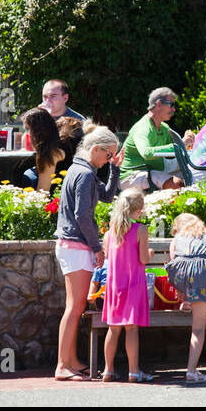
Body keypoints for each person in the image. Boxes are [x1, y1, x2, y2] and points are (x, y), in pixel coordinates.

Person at [53, 123, 122, 380]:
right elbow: (83, 215)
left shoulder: (83, 170)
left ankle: (70, 361)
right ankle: (62, 365)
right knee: (74, 307)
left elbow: (105, 196)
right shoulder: (83, 174)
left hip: (72, 244)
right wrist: (97, 247)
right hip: (75, 244)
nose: (107, 161)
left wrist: (114, 169)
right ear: (94, 149)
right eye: (107, 156)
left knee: (76, 306)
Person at [166, 212, 206, 383]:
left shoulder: (176, 241)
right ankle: (191, 371)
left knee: (186, 280)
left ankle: (186, 301)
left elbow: (175, 270)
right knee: (198, 329)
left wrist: (182, 294)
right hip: (202, 282)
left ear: (178, 227)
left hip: (182, 282)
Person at [102, 188, 153, 382]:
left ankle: (108, 370)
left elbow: (110, 257)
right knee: (131, 328)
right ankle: (133, 371)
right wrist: (150, 254)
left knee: (113, 328)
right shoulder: (141, 229)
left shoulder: (110, 233)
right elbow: (143, 259)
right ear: (139, 210)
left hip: (115, 286)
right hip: (133, 284)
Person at [120, 87, 185, 190]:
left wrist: (187, 143)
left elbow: (174, 151)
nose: (174, 109)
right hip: (130, 176)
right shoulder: (143, 128)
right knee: (176, 184)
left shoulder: (164, 128)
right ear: (159, 104)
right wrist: (177, 146)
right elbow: (146, 153)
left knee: (189, 174)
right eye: (171, 105)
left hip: (153, 171)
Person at [21, 107, 67, 193]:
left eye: (27, 129)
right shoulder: (51, 148)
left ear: (37, 131)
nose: (26, 134)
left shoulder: (50, 154)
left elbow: (42, 193)